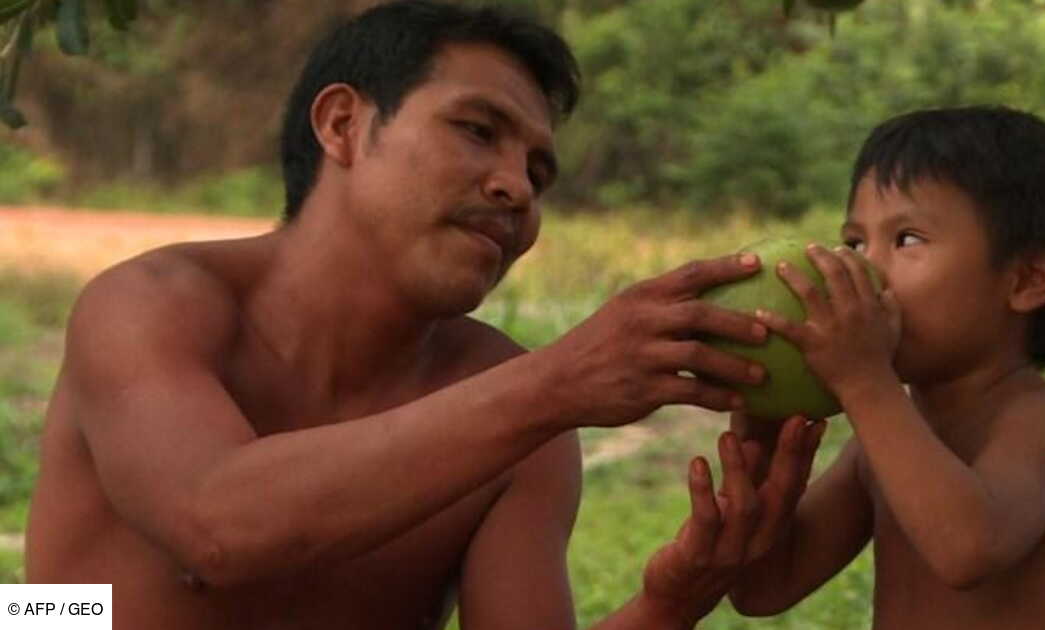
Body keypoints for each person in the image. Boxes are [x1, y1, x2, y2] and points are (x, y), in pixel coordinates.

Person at [24, 2, 827, 628]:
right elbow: (219, 525)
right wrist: (556, 383)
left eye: (539, 173)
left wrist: (671, 604)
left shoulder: (517, 422)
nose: (516, 187)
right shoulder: (151, 301)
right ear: (343, 125)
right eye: (477, 131)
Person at [727, 106, 1045, 629]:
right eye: (854, 242)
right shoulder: (881, 448)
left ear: (1027, 279)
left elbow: (967, 549)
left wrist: (864, 383)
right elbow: (765, 586)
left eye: (907, 239)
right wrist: (761, 428)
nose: (863, 268)